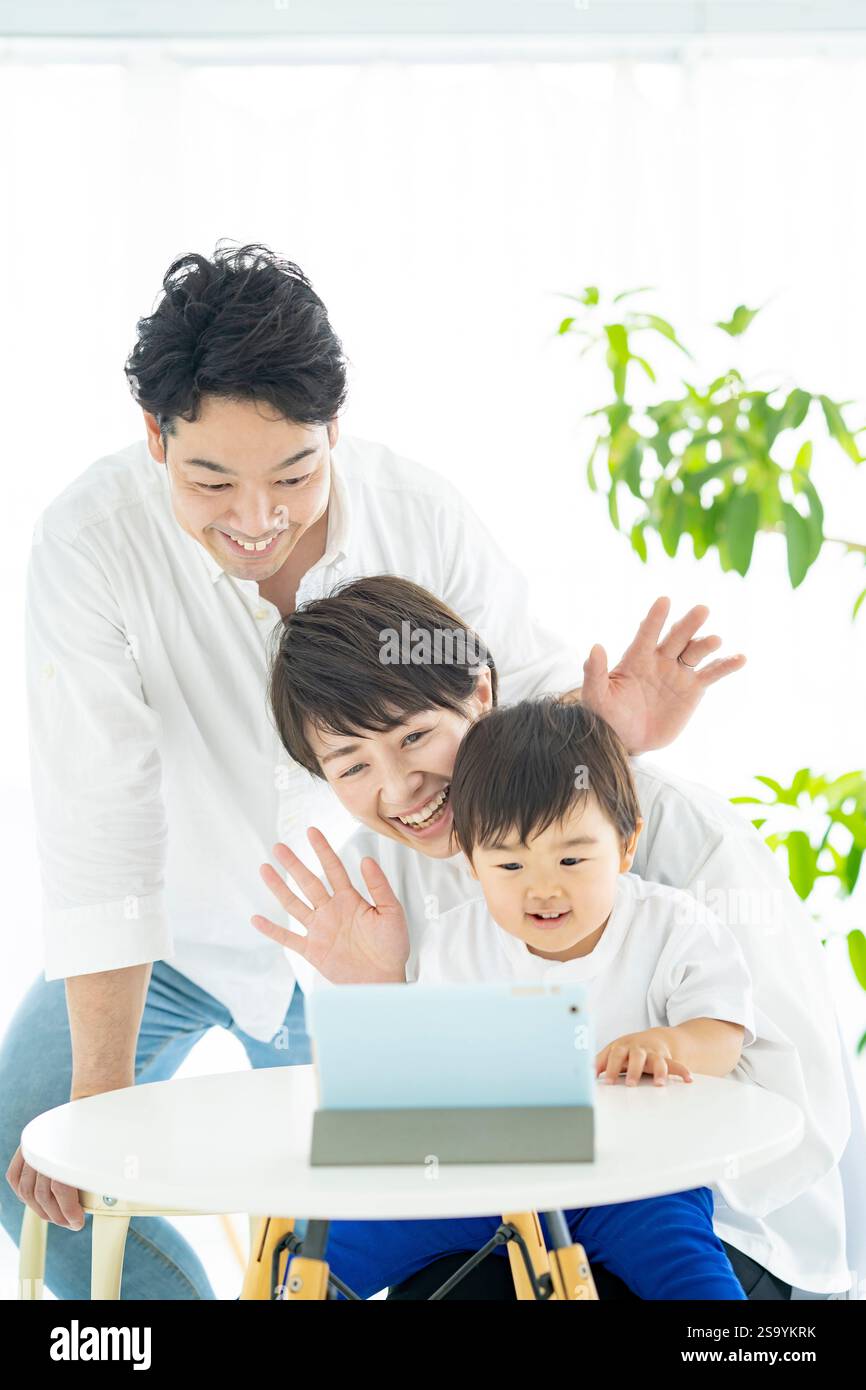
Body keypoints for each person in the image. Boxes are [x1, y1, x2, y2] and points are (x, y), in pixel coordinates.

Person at [2, 243, 735, 1299]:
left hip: (382, 932)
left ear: (333, 430)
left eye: (293, 475)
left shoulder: (415, 511)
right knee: (41, 1155)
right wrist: (98, 1102)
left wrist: (606, 731)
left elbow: (517, 698)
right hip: (169, 924)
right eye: (211, 479)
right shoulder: (89, 542)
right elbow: (97, 814)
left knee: (361, 1217)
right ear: (155, 437)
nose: (256, 518)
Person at [253, 574, 852, 1299]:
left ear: (480, 695)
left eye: (416, 736)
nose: (401, 786)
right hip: (492, 1209)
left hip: (711, 1213)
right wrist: (380, 1001)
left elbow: (799, 1110)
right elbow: (397, 1138)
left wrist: (631, 1116)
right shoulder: (372, 882)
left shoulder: (676, 834)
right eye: (352, 765)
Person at [258, 696, 758, 1301]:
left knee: (689, 1274)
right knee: (327, 1251)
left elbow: (724, 1033)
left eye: (572, 858)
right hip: (481, 1178)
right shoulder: (458, 938)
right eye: (510, 864)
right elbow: (431, 1059)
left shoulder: (673, 925)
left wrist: (668, 1044)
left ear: (626, 846)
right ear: (470, 861)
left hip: (637, 1183)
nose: (543, 887)